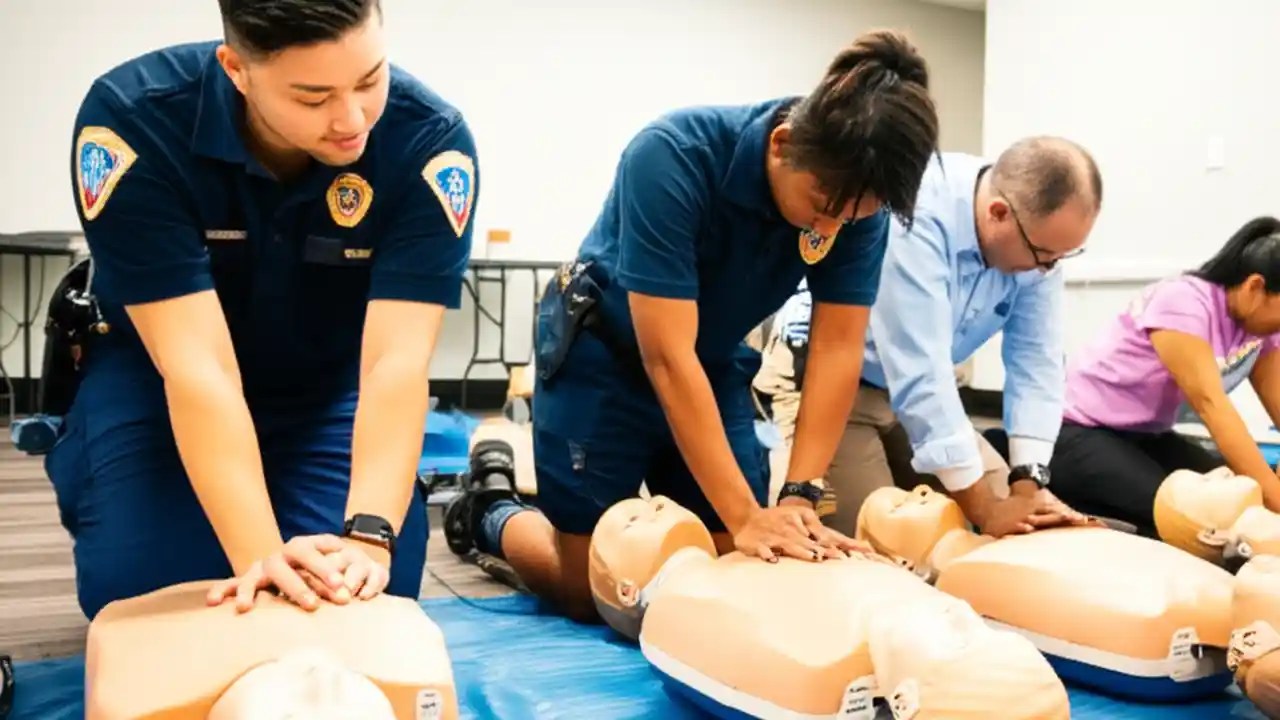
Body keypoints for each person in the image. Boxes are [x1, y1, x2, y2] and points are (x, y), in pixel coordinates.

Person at [444, 29, 941, 621]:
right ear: (782, 146)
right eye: (821, 207)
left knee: (742, 558)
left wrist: (800, 494)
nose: (833, 229)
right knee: (595, 589)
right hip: (604, 354)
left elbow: (836, 349)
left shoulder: (857, 202)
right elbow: (665, 357)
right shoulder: (672, 155)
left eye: (855, 217)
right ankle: (490, 509)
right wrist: (746, 514)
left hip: (711, 359)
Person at [46, 0, 478, 620]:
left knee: (367, 591)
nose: (352, 119)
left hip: (325, 388)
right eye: (312, 97)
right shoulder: (133, 124)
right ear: (236, 69)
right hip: (156, 382)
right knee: (149, 594)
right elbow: (200, 370)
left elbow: (394, 364)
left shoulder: (428, 142)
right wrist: (260, 558)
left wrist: (370, 534)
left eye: (370, 79)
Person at [754, 137, 1102, 538]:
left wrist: (1028, 482)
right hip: (826, 379)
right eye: (1044, 256)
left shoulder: (1038, 239)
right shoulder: (914, 215)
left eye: (1060, 258)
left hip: (910, 387)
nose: (1047, 270)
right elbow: (921, 376)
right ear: (999, 213)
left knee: (1024, 524)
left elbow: (1036, 362)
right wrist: (985, 510)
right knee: (873, 543)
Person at [1050, 217, 1280, 536]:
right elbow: (1212, 406)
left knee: (1239, 497)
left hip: (1145, 436)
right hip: (1078, 431)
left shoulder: (1263, 329)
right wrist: (1275, 499)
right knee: (1194, 517)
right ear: (1255, 287)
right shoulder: (1185, 302)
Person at [85, 580, 456, 720]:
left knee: (396, 569)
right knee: (132, 565)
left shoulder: (418, 686)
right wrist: (265, 564)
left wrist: (366, 542)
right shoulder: (145, 700)